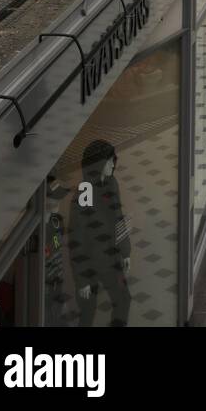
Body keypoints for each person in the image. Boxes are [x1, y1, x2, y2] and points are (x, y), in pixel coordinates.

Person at [69, 139, 131, 326]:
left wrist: (125, 250)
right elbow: (77, 239)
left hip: (109, 258)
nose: (113, 164)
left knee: (123, 300)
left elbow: (118, 217)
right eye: (109, 160)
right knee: (88, 311)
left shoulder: (112, 183)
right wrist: (82, 280)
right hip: (89, 263)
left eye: (113, 159)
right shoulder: (84, 194)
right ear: (98, 164)